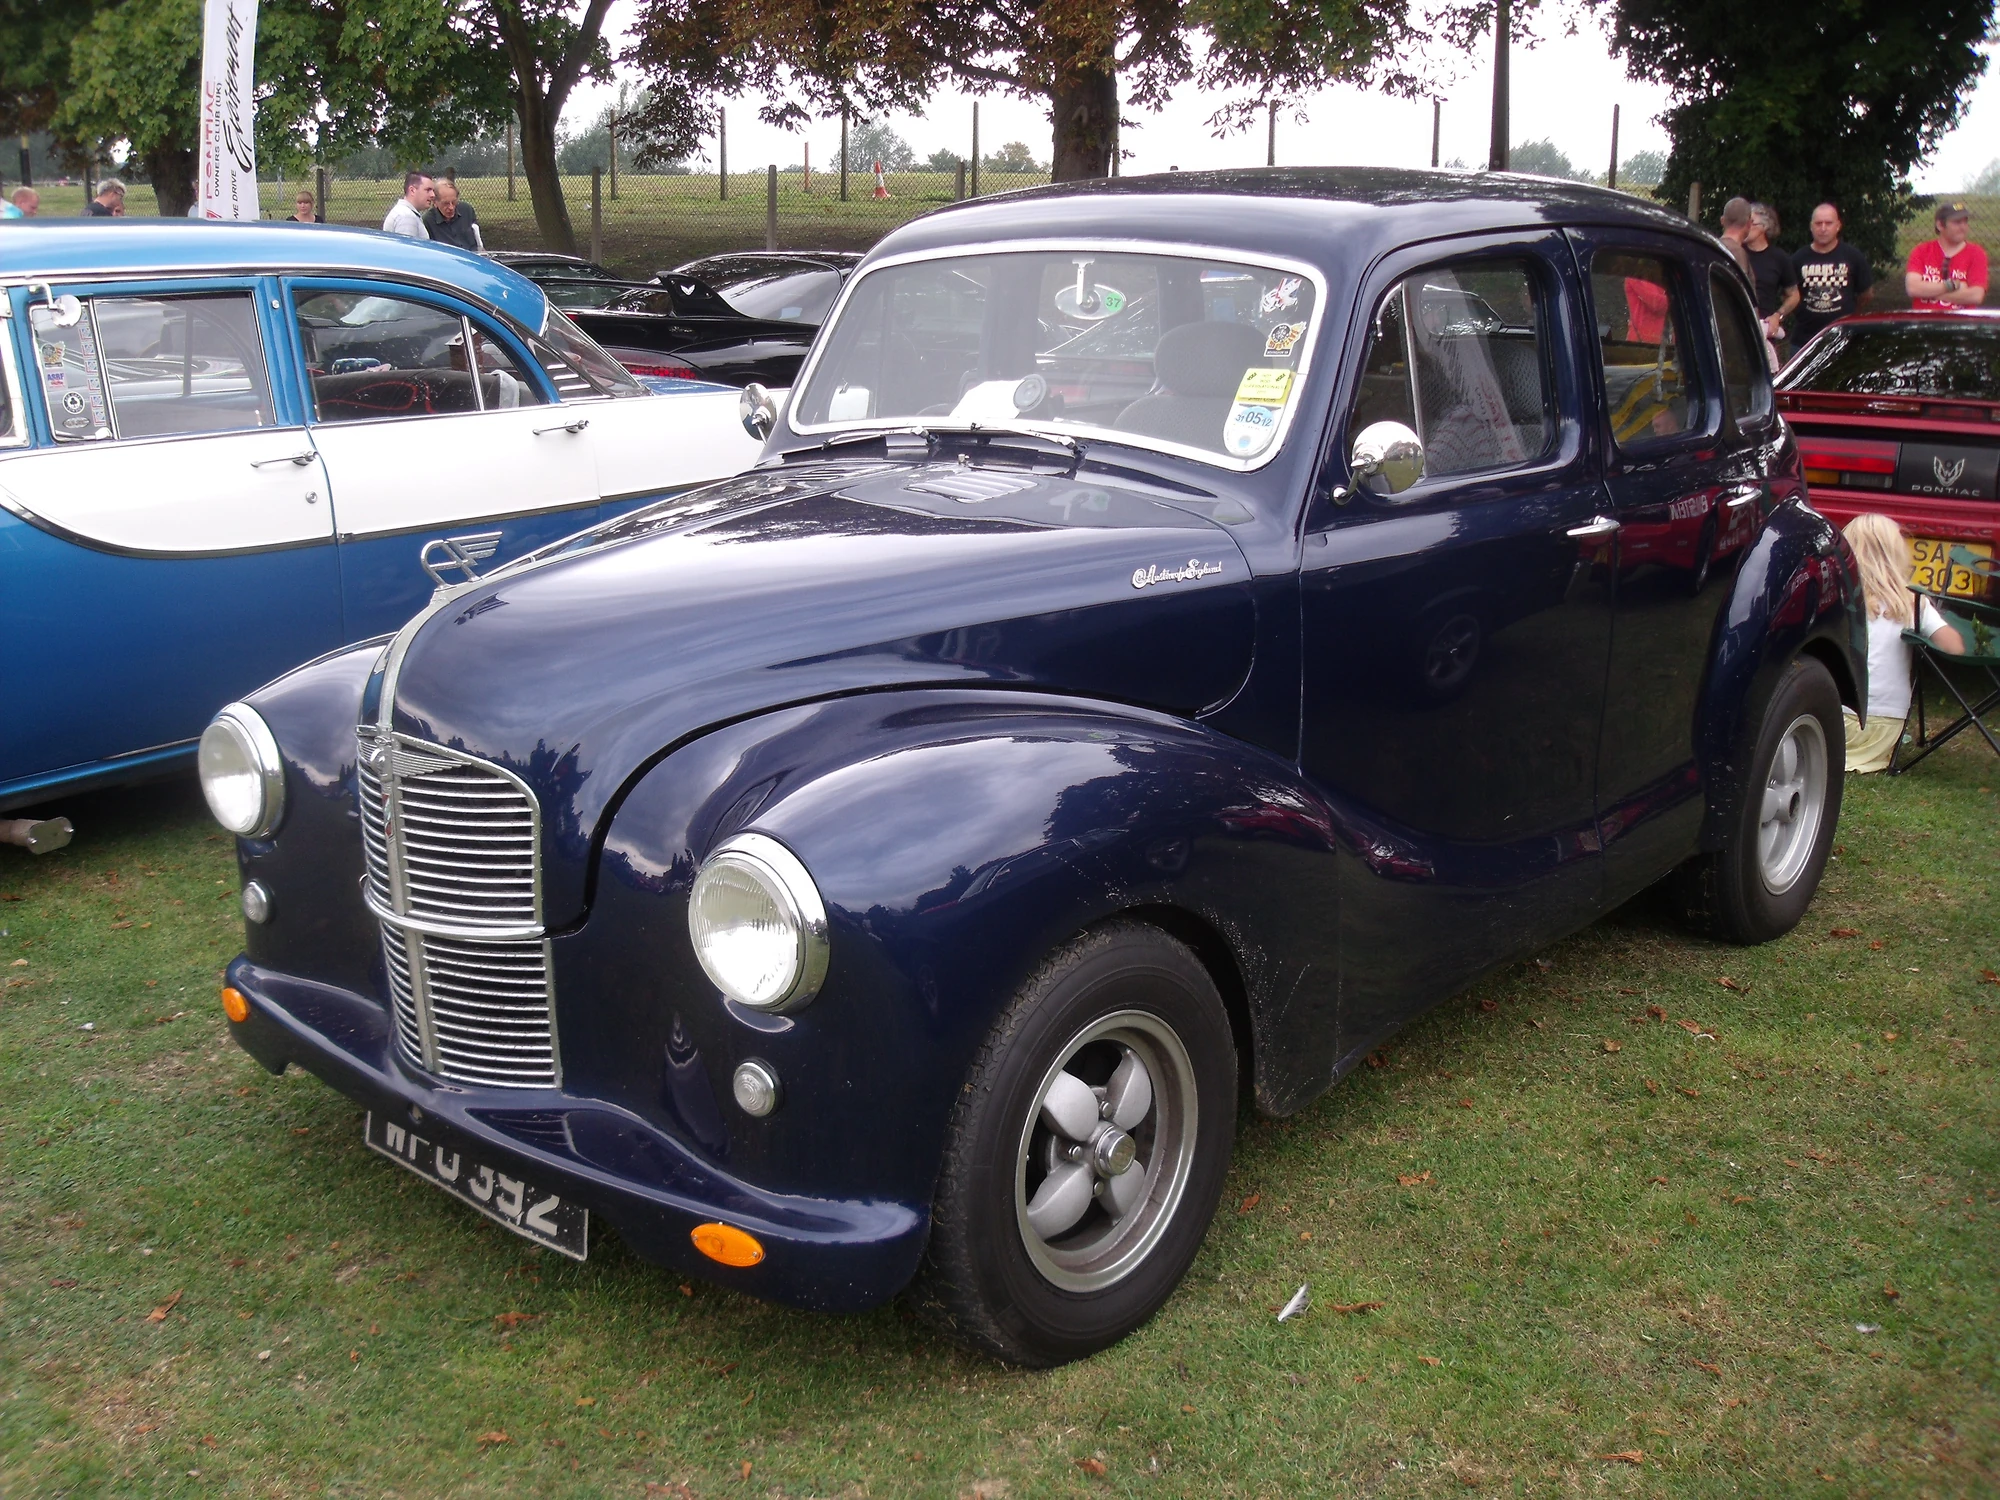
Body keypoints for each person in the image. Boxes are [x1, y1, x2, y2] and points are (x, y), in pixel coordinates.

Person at [1840, 512, 1965, 773]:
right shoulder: (1912, 603)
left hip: (1836, 719)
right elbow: (1955, 647)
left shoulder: (1840, 598)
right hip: (1885, 729)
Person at [1792, 201, 1873, 345]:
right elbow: (1789, 293)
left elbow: (1866, 294)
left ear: (1838, 226)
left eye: (1828, 223)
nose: (1823, 228)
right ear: (1811, 226)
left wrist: (1852, 314)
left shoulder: (1853, 256)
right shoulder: (1798, 258)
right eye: (1818, 223)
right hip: (1805, 339)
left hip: (1844, 337)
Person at [1905, 201, 1988, 309]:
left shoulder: (1976, 253)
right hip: (1925, 321)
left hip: (1960, 322)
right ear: (1940, 225)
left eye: (1965, 222)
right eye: (1957, 222)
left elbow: (1976, 296)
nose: (1963, 227)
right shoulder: (1922, 251)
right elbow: (1913, 288)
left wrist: (1929, 292)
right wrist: (1953, 285)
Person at [1744, 202, 1800, 359]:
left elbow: (1794, 295)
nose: (1746, 227)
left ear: (1764, 227)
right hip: (1736, 326)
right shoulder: (1736, 252)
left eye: (1751, 222)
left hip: (1764, 330)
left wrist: (1778, 315)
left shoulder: (1779, 258)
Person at [424, 178, 484, 252]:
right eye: (445, 203)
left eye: (454, 202)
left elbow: (478, 242)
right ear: (435, 202)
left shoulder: (466, 210)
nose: (451, 207)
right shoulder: (428, 221)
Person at [381, 170, 433, 239]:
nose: (433, 195)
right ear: (412, 190)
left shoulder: (404, 213)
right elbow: (407, 249)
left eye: (433, 191)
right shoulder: (407, 217)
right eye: (428, 190)